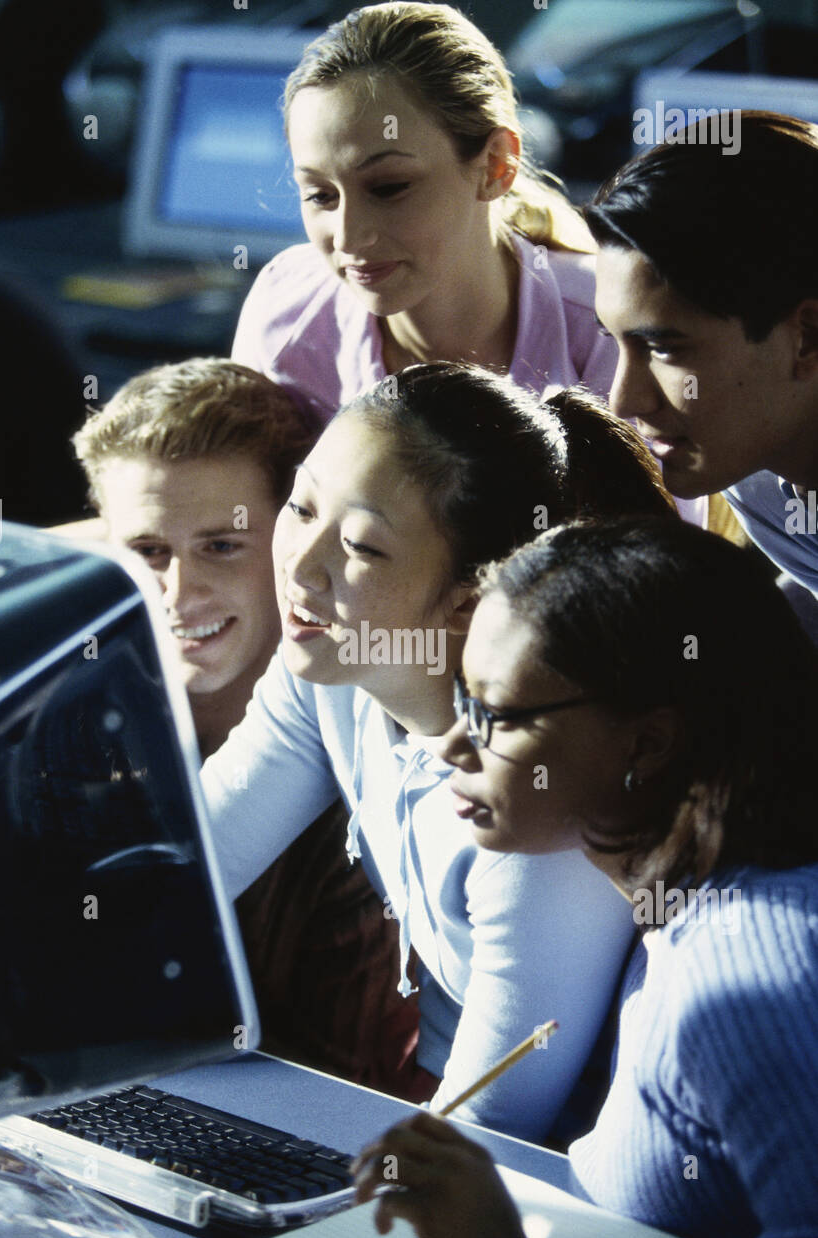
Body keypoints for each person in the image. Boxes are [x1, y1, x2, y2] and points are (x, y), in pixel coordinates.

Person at [201, 361, 677, 1143]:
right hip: (447, 1124)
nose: (300, 566)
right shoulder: (333, 671)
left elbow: (493, 1126)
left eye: (360, 545)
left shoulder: (539, 800)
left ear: (465, 600)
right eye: (301, 506)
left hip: (575, 1164)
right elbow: (181, 874)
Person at [352, 515, 818, 1238]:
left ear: (646, 744)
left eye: (495, 716)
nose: (453, 747)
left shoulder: (741, 973)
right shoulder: (672, 911)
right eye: (460, 697)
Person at [72, 357, 421, 1094]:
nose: (180, 592)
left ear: (295, 542)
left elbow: (341, 1102)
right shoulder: (64, 739)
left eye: (221, 546)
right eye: (148, 551)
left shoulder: (358, 792)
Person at [233, 3, 614, 415]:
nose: (349, 238)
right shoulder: (285, 313)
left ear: (495, 165)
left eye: (389, 188)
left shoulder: (607, 328)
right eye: (320, 196)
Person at [586, 110, 818, 596]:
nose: (624, 402)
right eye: (615, 339)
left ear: (808, 337)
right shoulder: (754, 477)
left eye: (664, 348)